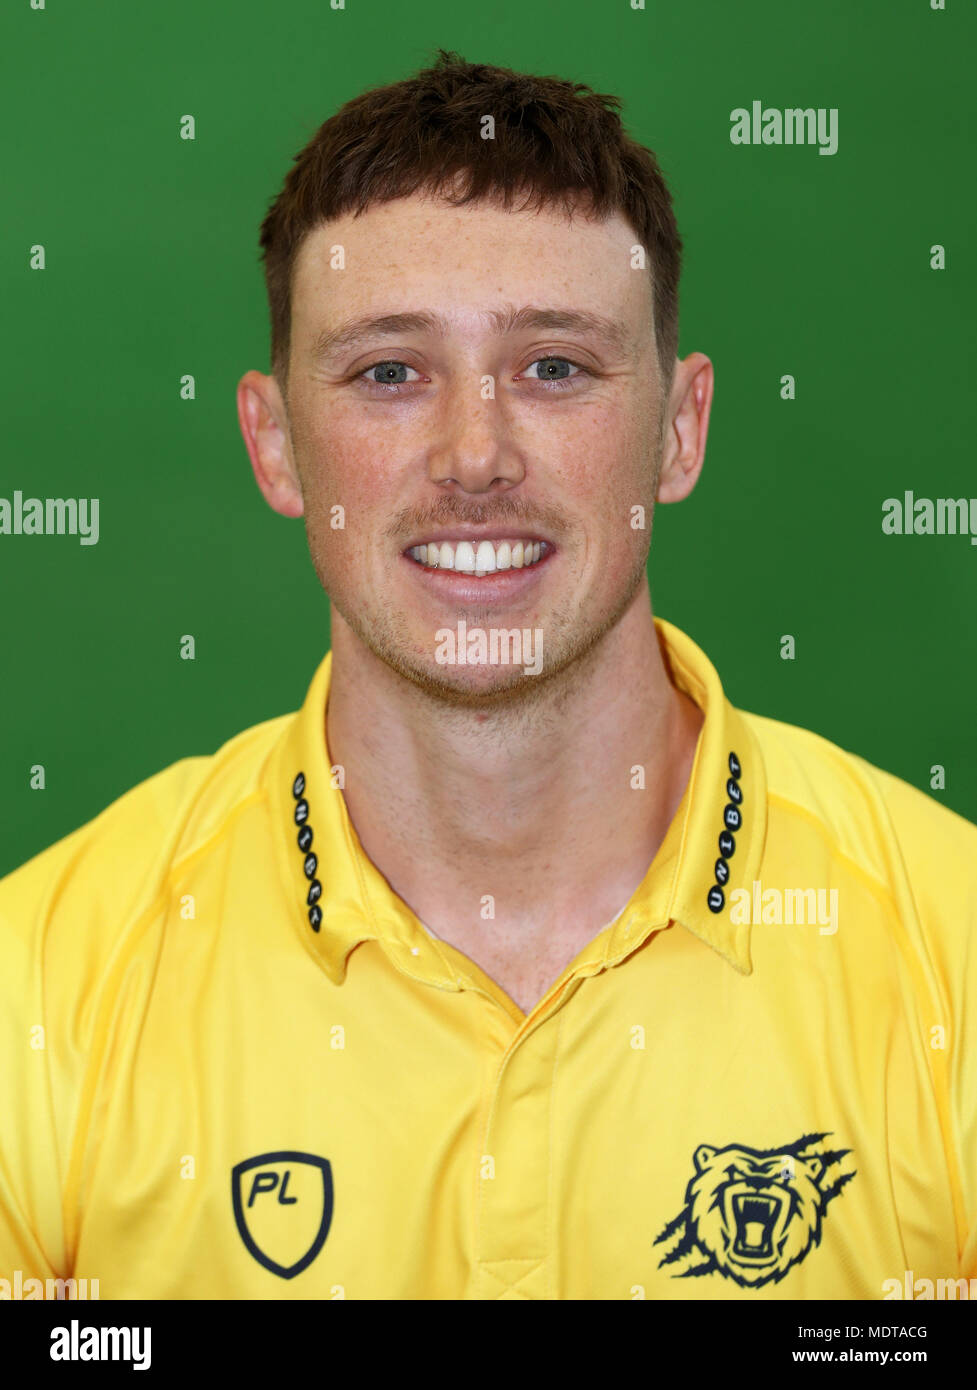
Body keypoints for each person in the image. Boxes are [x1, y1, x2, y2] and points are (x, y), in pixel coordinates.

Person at [1, 50, 974, 1302]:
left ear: (678, 430)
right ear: (276, 443)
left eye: (553, 366)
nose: (473, 455)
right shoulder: (42, 980)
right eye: (389, 372)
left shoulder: (948, 946)